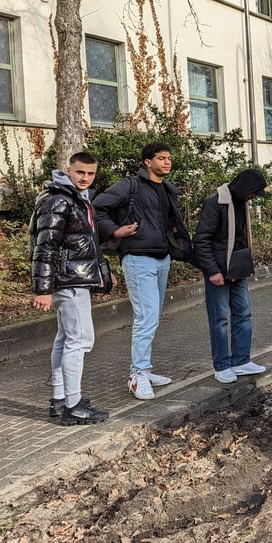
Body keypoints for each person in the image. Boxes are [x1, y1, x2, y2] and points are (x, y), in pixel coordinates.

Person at [94, 141, 191, 401]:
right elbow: (96, 207)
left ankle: (145, 369)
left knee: (153, 316)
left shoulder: (167, 189)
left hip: (161, 258)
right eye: (161, 158)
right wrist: (115, 231)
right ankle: (136, 375)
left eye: (169, 157)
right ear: (148, 162)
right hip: (138, 258)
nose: (167, 162)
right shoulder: (131, 185)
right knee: (146, 316)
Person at [30, 152, 112, 425]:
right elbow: (45, 246)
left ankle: (60, 399)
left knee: (65, 339)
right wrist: (42, 289)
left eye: (90, 174)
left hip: (71, 278)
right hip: (69, 281)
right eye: (80, 172)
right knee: (80, 340)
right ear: (68, 170)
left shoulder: (74, 198)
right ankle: (73, 405)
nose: (85, 178)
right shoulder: (60, 199)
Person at [192, 169, 269, 384]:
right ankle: (222, 366)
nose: (254, 197)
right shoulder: (216, 203)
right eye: (253, 193)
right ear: (244, 188)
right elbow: (202, 240)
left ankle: (241, 360)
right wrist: (213, 271)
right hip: (217, 271)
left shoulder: (241, 204)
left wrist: (242, 268)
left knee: (243, 314)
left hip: (237, 270)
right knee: (219, 320)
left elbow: (240, 239)